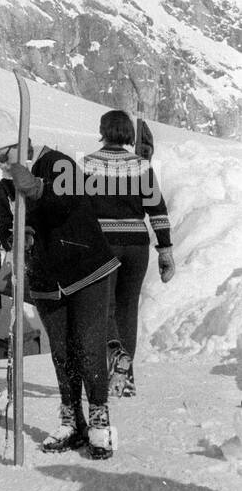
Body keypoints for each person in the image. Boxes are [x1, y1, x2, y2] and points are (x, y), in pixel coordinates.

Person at [0, 107, 120, 460]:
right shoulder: (4, 189)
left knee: (87, 346)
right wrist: (15, 235)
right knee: (61, 351)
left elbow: (71, 203)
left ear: (19, 142)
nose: (1, 166)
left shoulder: (57, 163)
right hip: (45, 279)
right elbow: (3, 228)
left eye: (3, 157)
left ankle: (100, 420)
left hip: (86, 270)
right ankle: (72, 420)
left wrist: (39, 188)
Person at [82, 110, 175, 397]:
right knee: (127, 309)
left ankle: (109, 368)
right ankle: (127, 378)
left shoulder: (86, 165)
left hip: (102, 245)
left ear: (103, 131)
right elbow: (158, 211)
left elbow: (76, 211)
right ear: (128, 135)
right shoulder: (141, 167)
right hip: (137, 245)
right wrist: (165, 251)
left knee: (104, 309)